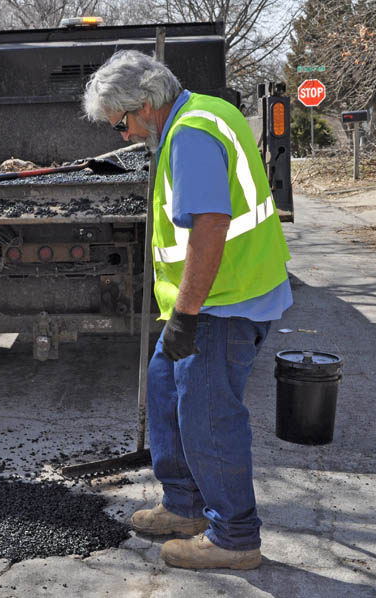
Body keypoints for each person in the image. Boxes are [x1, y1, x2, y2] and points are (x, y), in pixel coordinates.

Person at [83, 51, 293, 570]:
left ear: (148, 103)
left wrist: (186, 315)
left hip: (224, 303)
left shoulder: (192, 134)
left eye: (122, 122)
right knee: (164, 392)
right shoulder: (200, 113)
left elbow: (210, 225)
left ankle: (235, 537)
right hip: (215, 298)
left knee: (209, 417)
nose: (124, 135)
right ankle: (185, 506)